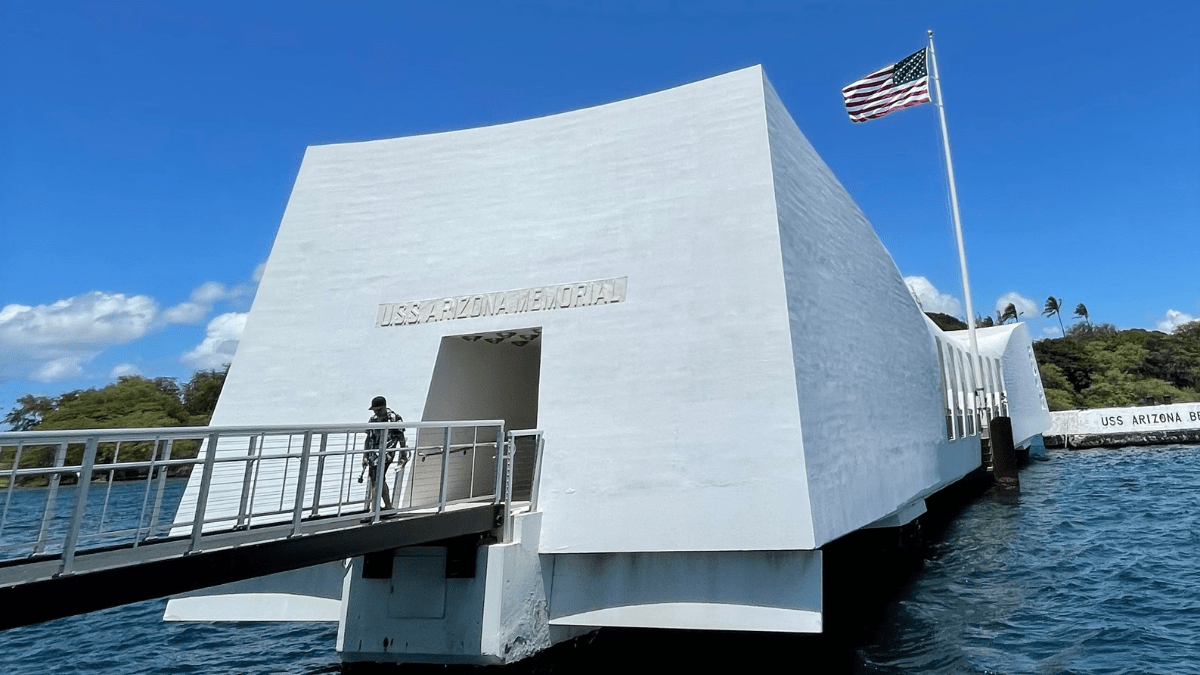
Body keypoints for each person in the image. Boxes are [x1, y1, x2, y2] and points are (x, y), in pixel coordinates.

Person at [361, 395, 407, 510]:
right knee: (376, 478)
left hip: (387, 452)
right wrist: (365, 455)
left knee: (377, 477)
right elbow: (368, 438)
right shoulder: (373, 419)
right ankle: (386, 506)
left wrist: (403, 455)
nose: (377, 413)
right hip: (373, 453)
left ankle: (375, 508)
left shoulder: (394, 418)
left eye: (379, 410)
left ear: (385, 407)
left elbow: (401, 437)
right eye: (375, 410)